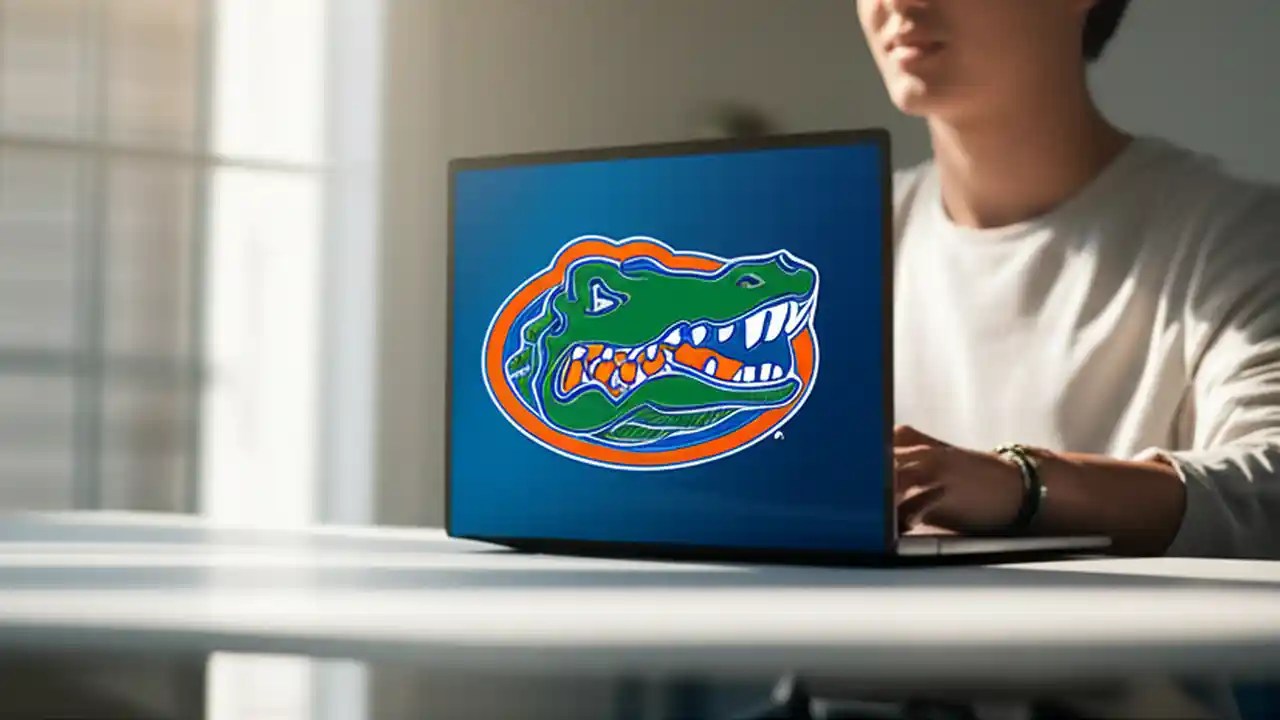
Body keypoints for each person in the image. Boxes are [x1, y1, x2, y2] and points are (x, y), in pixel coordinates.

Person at [859, 0, 1280, 558]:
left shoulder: (1240, 238)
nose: (897, 3)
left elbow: (1267, 492)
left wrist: (1019, 487)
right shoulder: (844, 236)